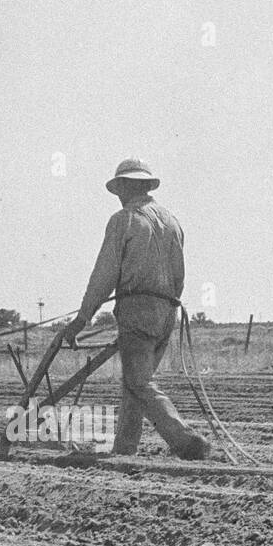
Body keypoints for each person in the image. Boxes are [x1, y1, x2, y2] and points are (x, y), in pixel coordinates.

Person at [63, 159, 211, 459]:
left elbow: (104, 274)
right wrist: (167, 304)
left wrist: (81, 319)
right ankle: (124, 450)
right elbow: (180, 275)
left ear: (131, 186)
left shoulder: (124, 219)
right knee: (136, 383)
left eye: (121, 187)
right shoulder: (172, 221)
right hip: (168, 310)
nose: (118, 194)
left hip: (137, 309)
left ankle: (184, 440)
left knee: (138, 381)